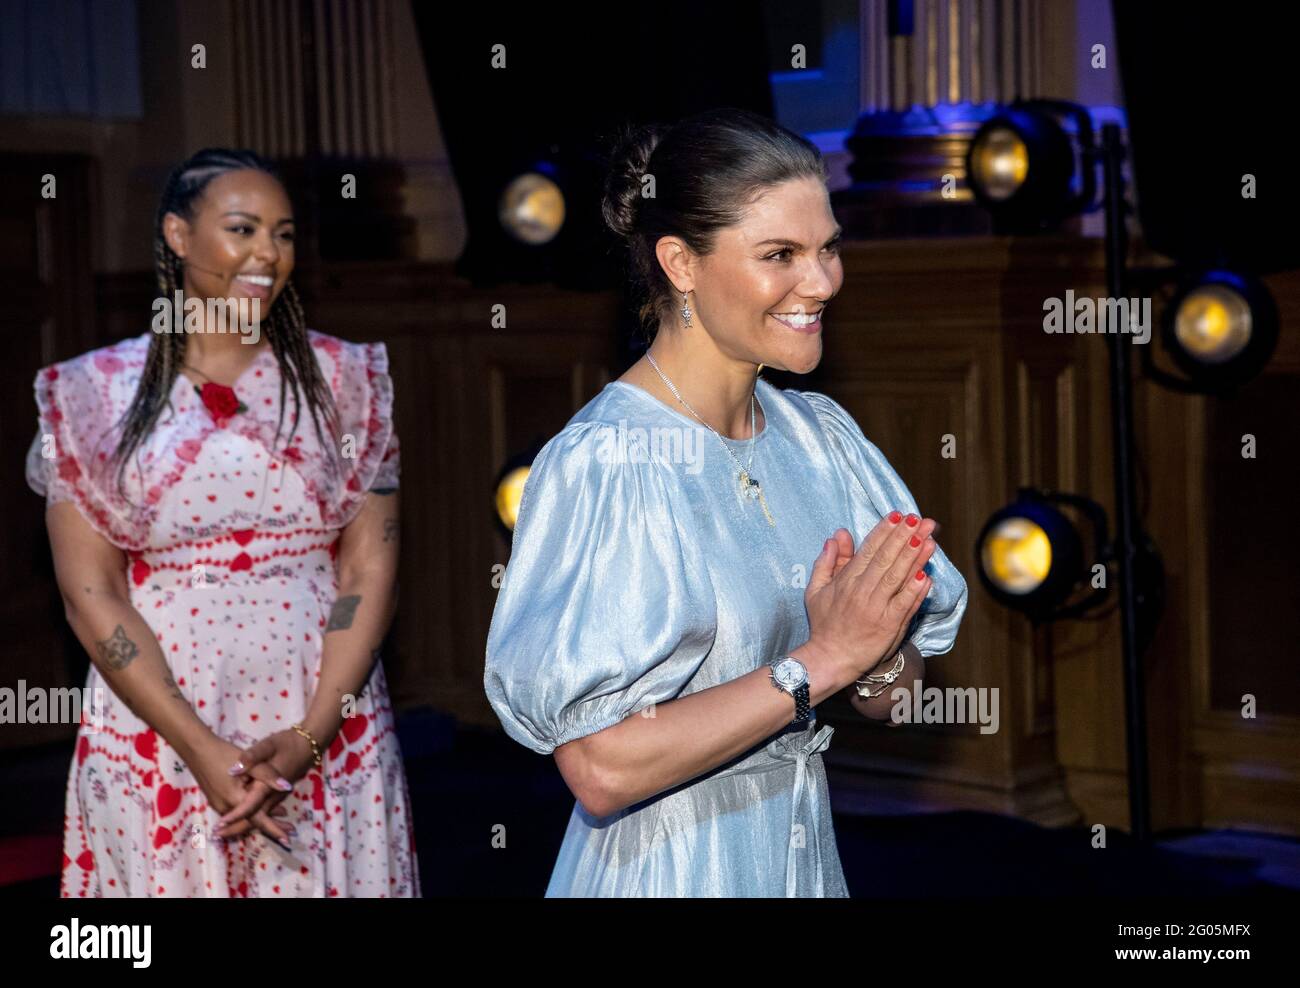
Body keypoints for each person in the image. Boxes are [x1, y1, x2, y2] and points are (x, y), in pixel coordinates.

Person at [484, 108, 969, 897]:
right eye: (780, 255)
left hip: (800, 854)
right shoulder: (611, 461)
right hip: (669, 869)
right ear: (681, 263)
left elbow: (899, 697)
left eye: (828, 248)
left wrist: (874, 652)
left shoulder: (820, 438)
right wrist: (824, 659)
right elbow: (601, 769)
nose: (822, 283)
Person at [25, 148, 420, 897]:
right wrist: (201, 748)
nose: (267, 254)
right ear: (178, 235)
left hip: (319, 707)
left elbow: (369, 571)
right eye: (243, 229)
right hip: (162, 716)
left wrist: (309, 738)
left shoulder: (348, 380)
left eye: (284, 234)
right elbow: (90, 593)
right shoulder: (91, 394)